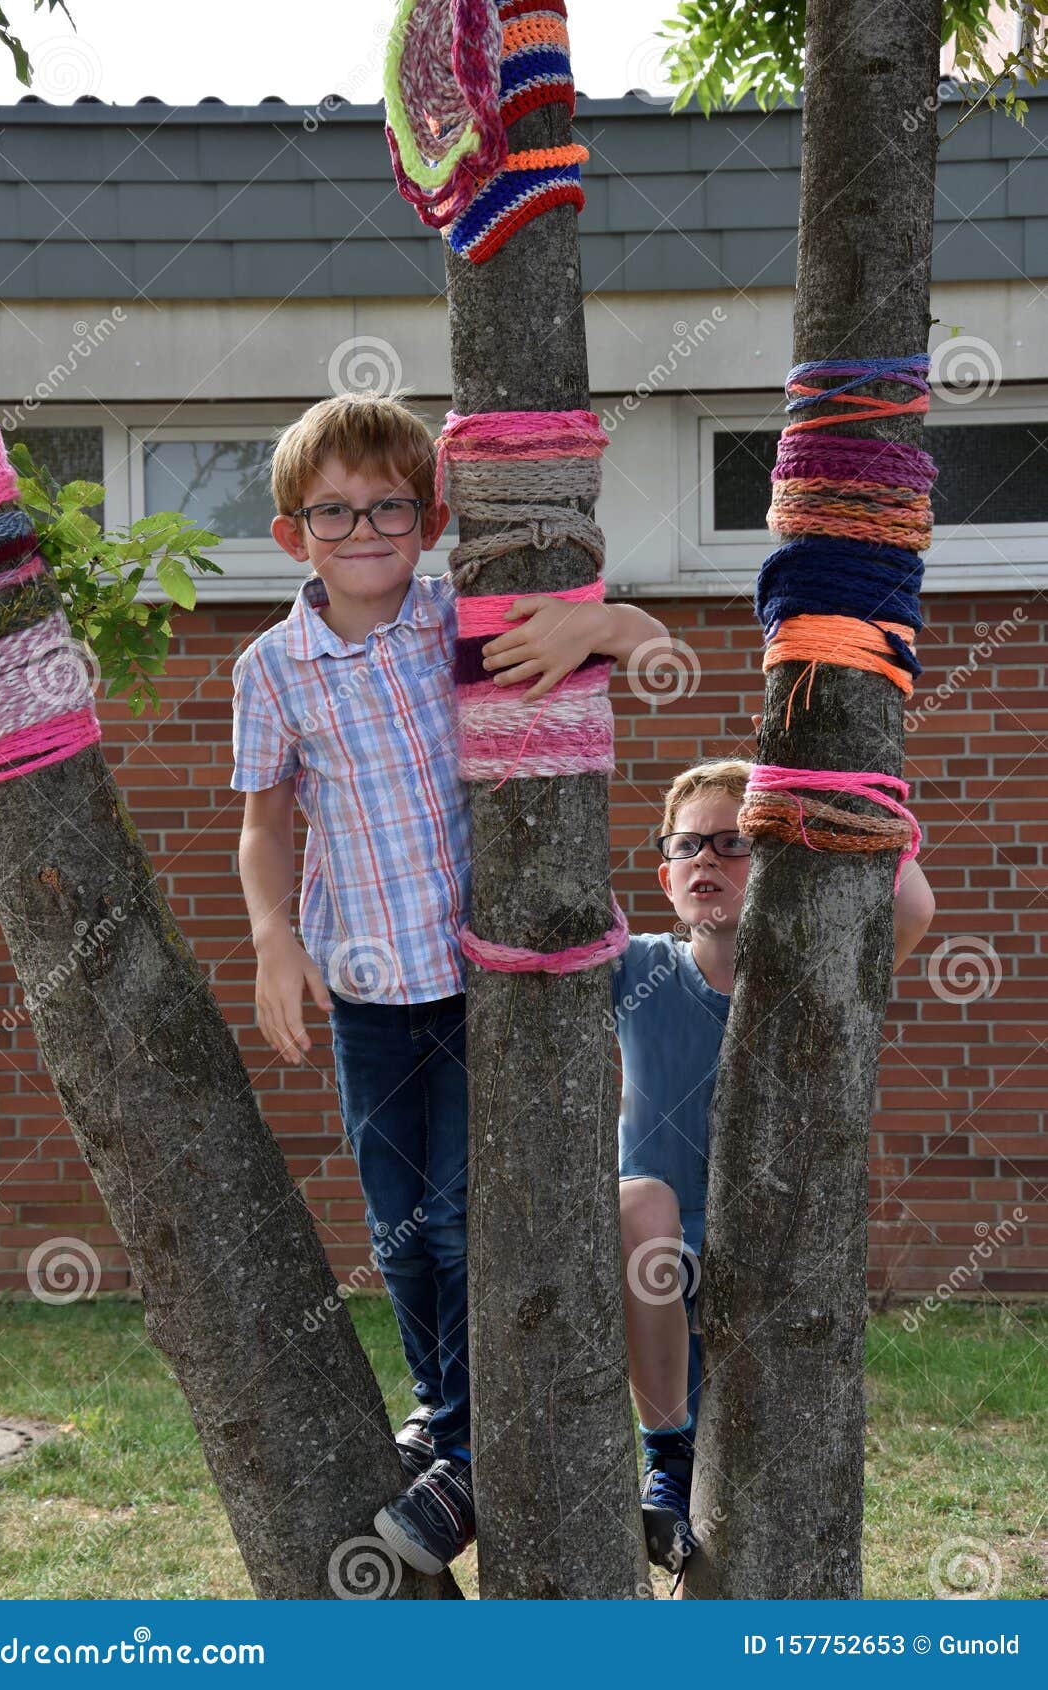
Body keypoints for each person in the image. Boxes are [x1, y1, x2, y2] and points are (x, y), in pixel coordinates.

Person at [229, 390, 670, 1575]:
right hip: (369, 988)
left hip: (487, 987)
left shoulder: (454, 621)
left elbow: (640, 643)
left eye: (388, 508)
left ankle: (471, 1456)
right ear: (291, 534)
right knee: (398, 1225)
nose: (363, 530)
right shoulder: (272, 667)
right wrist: (275, 938)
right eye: (333, 513)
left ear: (428, 521)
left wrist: (595, 629)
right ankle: (440, 1406)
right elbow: (264, 825)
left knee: (476, 1218)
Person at [612, 755, 936, 1574]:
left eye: (733, 843)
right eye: (687, 848)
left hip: (767, 1249)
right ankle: (667, 1462)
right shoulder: (639, 971)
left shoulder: (807, 978)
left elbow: (909, 908)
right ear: (664, 873)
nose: (707, 862)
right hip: (652, 1247)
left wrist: (854, 817)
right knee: (640, 1201)